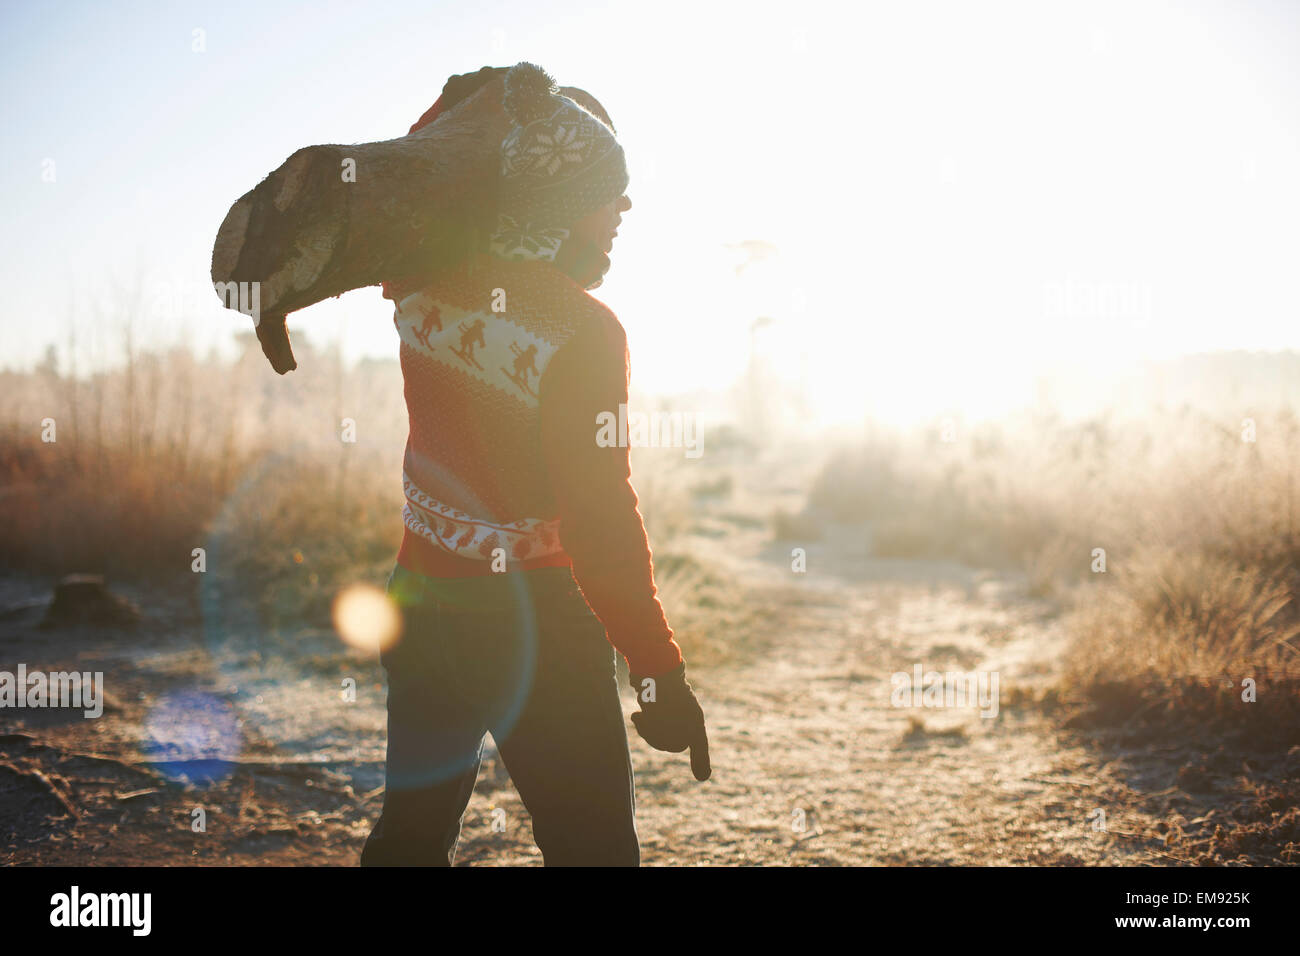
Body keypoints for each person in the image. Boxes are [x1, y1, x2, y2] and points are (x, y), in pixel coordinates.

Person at [360, 62, 710, 867]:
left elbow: (430, 172)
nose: (623, 205)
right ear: (557, 199)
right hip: (539, 628)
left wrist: (467, 102)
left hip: (421, 607)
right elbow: (599, 518)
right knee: (593, 853)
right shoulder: (582, 333)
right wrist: (656, 668)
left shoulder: (420, 288)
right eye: (604, 184)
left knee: (409, 841)